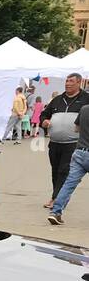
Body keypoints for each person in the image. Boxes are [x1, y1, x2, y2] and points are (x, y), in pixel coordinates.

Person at [41, 73, 89, 208]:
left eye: (71, 81)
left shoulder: (86, 99)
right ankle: (56, 196)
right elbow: (44, 114)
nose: (67, 83)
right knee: (55, 170)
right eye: (66, 81)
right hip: (55, 142)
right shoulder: (57, 99)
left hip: (74, 143)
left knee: (64, 170)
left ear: (79, 83)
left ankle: (56, 200)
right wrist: (44, 121)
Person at [46, 99, 89, 225]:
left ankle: (55, 212)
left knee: (69, 184)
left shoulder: (84, 109)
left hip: (80, 152)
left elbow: (76, 128)